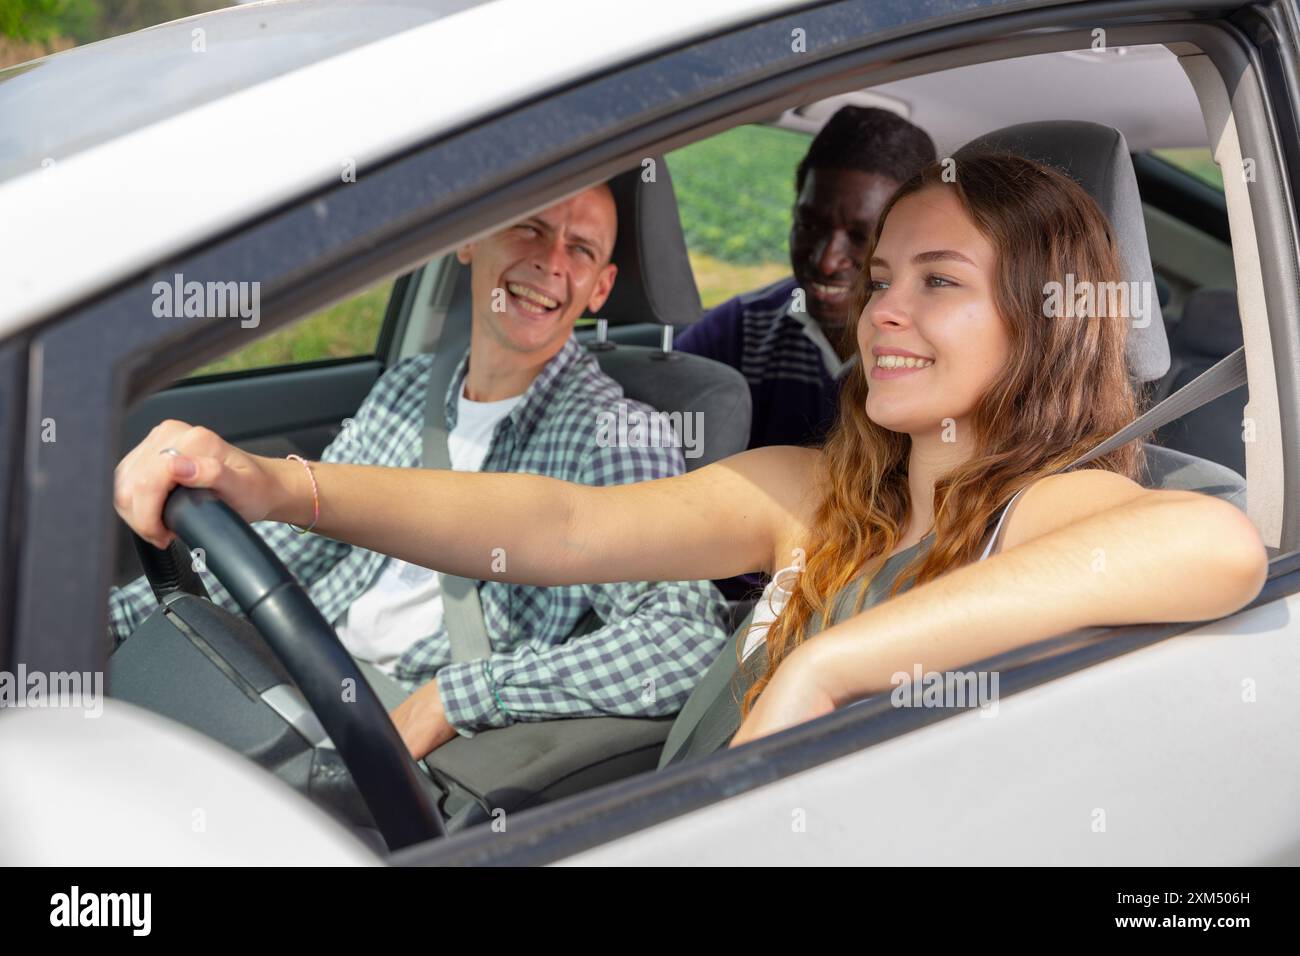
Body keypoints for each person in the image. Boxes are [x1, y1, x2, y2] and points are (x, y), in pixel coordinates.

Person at [112, 155, 1268, 761]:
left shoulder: (1041, 507)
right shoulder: (816, 491)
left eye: (940, 282)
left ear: (1040, 320)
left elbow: (1210, 541)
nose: (882, 314)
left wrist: (831, 664)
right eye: (881, 281)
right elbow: (557, 525)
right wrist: (281, 485)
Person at [109, 184, 730, 761]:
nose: (552, 263)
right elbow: (290, 547)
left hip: (389, 725)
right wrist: (112, 622)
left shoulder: (616, 434)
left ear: (600, 287)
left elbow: (683, 638)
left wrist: (457, 699)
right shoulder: (408, 388)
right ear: (470, 235)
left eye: (581, 249)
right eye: (529, 228)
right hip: (302, 664)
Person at [676, 106, 936, 450]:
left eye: (861, 236)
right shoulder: (740, 332)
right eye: (809, 226)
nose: (826, 261)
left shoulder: (937, 349)